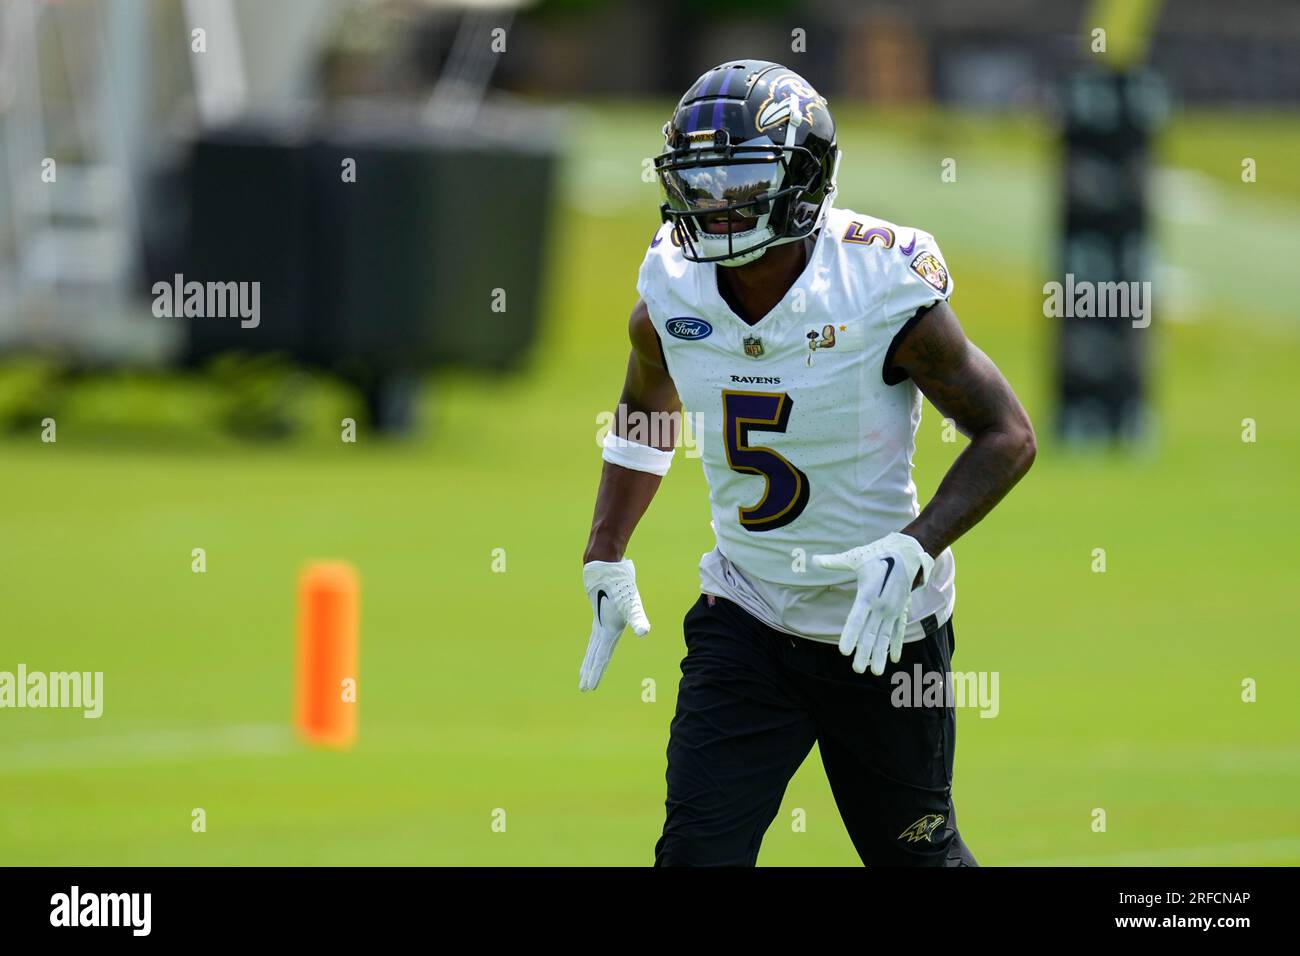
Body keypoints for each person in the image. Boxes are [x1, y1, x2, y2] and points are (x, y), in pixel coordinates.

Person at [578, 60, 1036, 866]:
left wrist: (914, 544)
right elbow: (648, 402)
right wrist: (606, 549)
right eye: (700, 180)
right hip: (745, 614)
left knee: (917, 856)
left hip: (880, 627)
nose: (716, 204)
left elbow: (1006, 434)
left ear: (803, 176)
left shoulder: (877, 281)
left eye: (741, 177)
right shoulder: (672, 284)